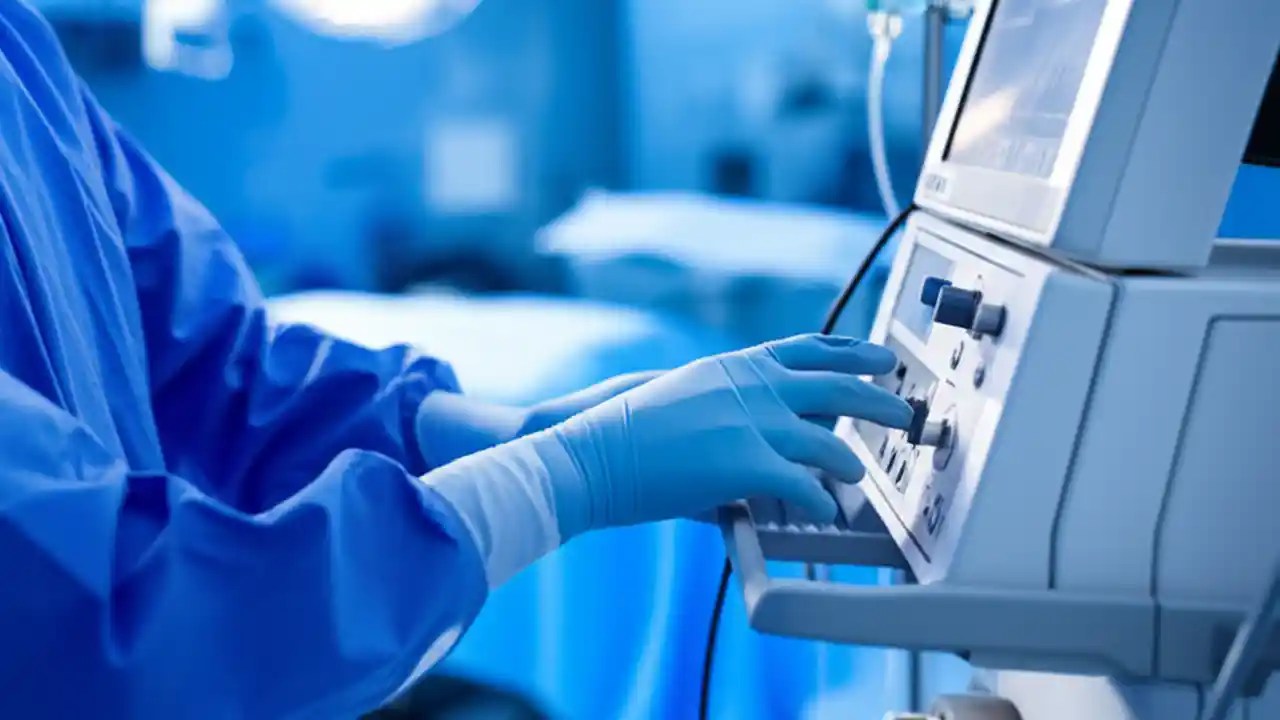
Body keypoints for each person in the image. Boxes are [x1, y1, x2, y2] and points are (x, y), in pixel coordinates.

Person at [0, 2, 912, 716]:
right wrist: (563, 476)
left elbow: (213, 370)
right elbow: (115, 632)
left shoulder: (18, 58)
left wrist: (503, 431)